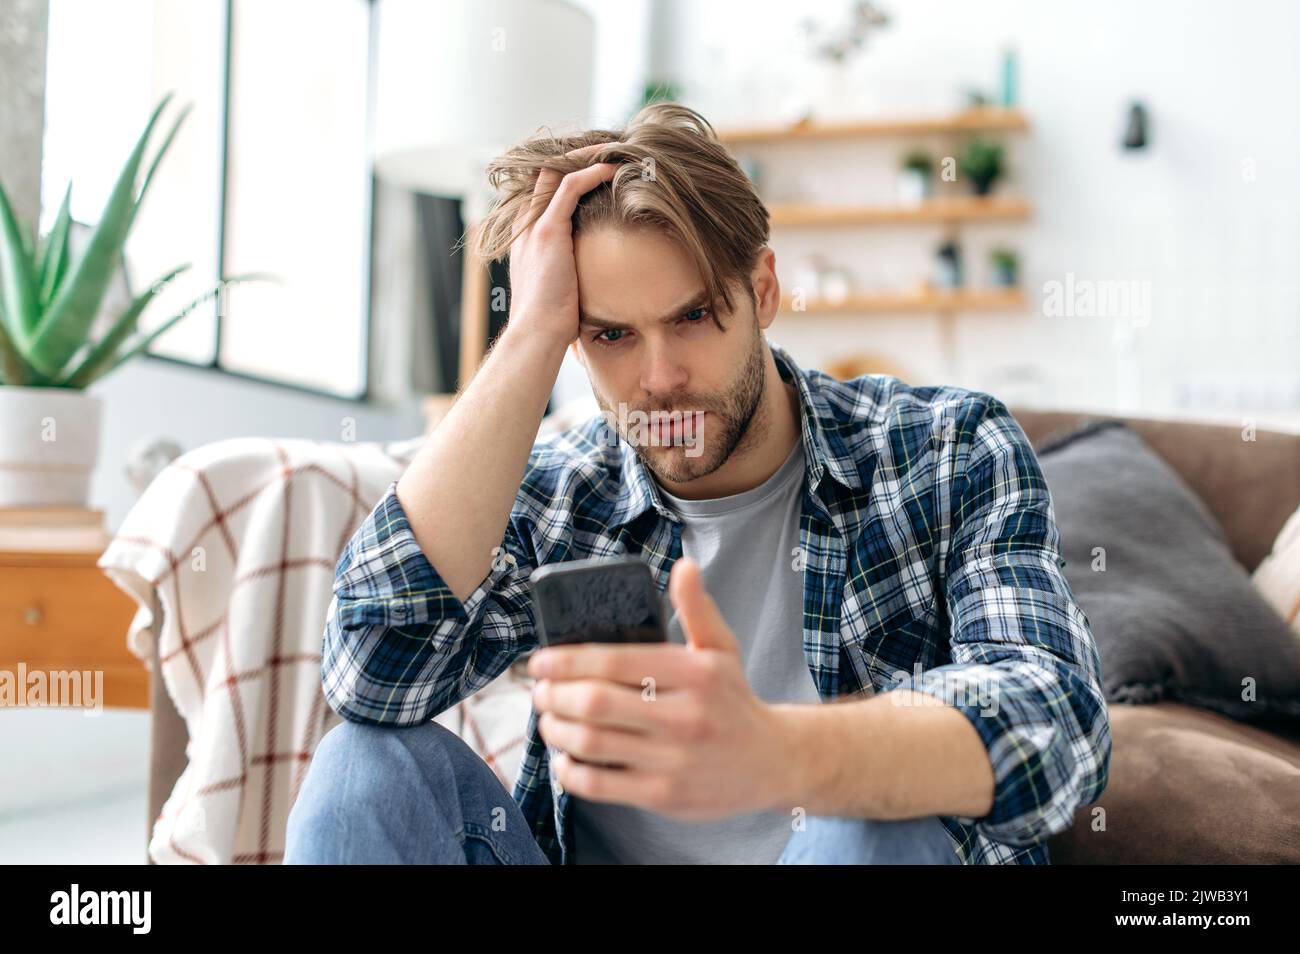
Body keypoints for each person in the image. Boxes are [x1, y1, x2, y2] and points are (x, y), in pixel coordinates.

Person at [285, 102, 1110, 865]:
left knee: (870, 819)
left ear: (763, 291)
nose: (659, 377)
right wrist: (534, 331)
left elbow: (1056, 725)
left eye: (692, 317)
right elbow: (371, 672)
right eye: (610, 334)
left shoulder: (946, 448)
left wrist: (772, 752)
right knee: (365, 765)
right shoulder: (562, 495)